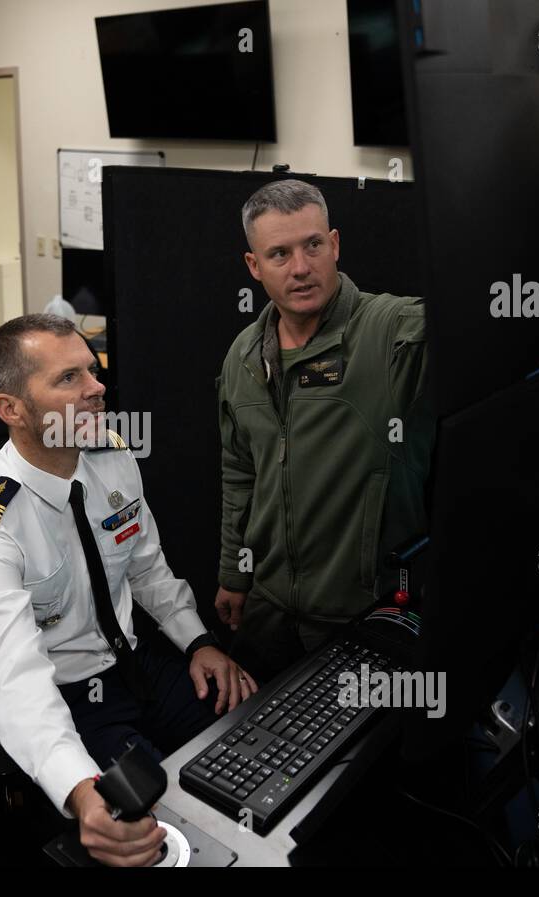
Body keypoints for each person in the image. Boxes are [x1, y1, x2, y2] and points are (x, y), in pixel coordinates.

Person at [0, 313, 257, 867]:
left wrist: (198, 643)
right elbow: (18, 682)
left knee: (249, 751)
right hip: (66, 693)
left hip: (138, 663)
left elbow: (146, 569)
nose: (98, 387)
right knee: (167, 831)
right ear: (11, 409)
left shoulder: (112, 454)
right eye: (69, 379)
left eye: (92, 370)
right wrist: (79, 790)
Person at [215, 180, 434, 684]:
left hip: (362, 613)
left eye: (313, 245)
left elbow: (472, 325)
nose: (300, 267)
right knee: (251, 752)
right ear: (254, 267)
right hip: (267, 612)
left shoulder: (394, 330)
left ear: (334, 244)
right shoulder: (243, 356)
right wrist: (234, 573)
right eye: (279, 253)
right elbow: (239, 472)